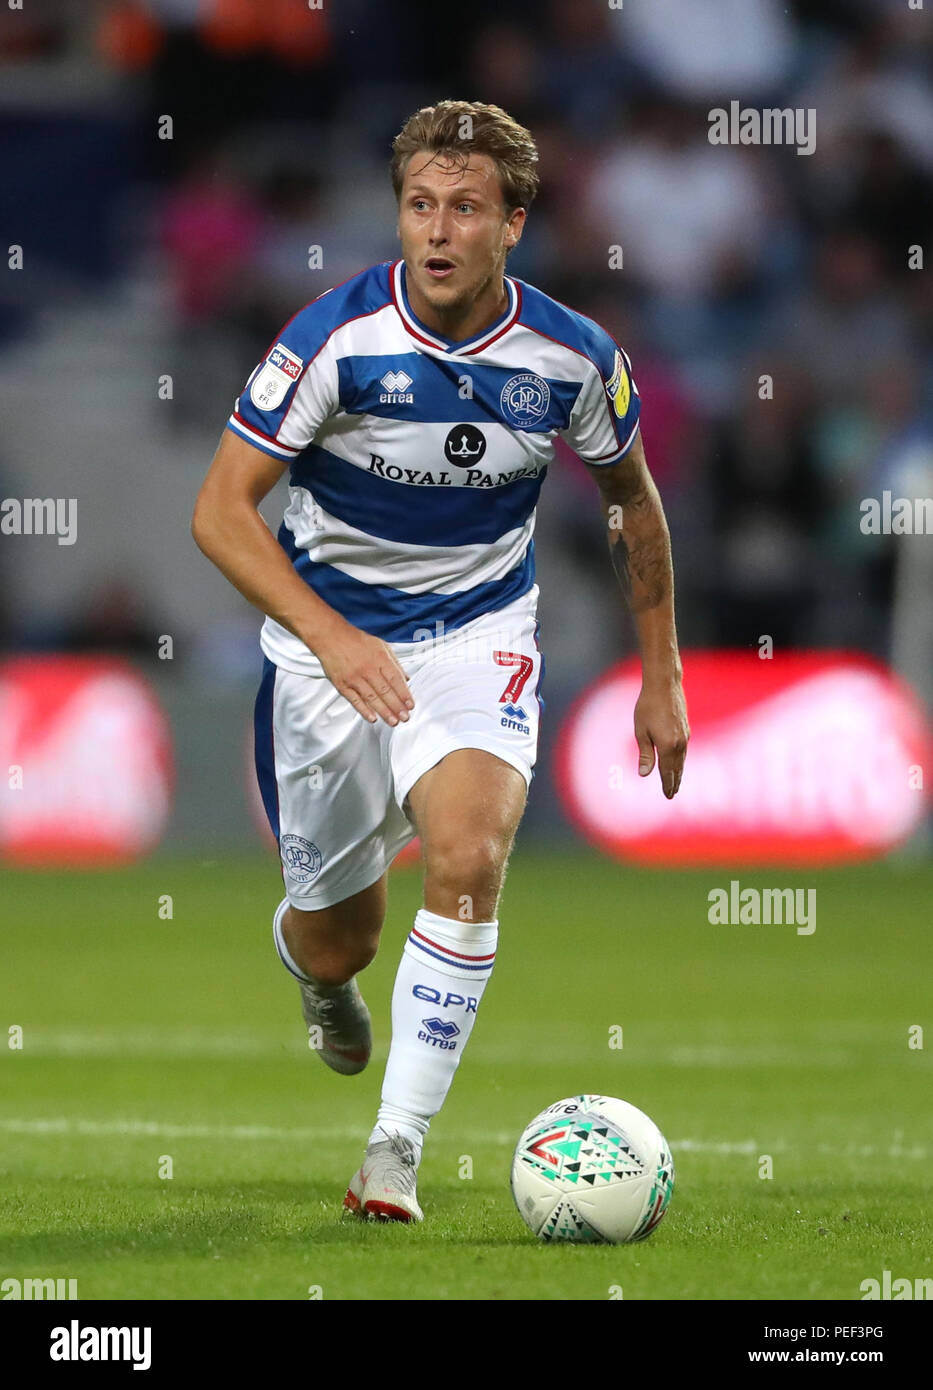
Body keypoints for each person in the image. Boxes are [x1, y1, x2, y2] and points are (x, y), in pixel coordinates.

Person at [191, 100, 689, 1224]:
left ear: (514, 222)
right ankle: (315, 973)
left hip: (478, 635)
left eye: (466, 208)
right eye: (421, 205)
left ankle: (394, 1152)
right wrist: (330, 635)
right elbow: (220, 513)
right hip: (327, 651)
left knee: (466, 857)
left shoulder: (571, 358)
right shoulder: (335, 338)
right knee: (341, 935)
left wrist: (662, 674)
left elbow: (633, 501)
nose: (439, 230)